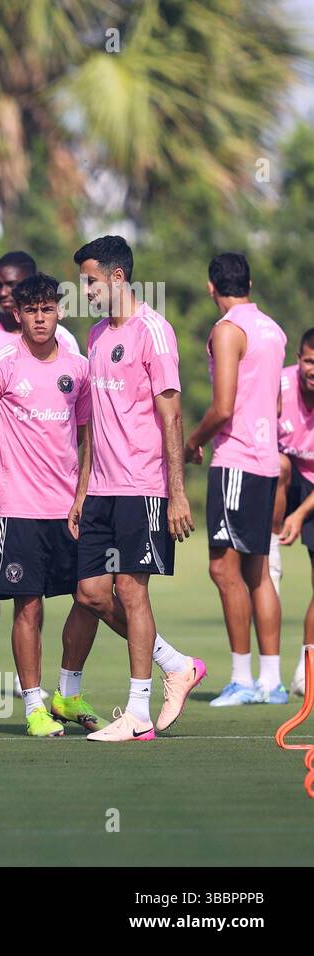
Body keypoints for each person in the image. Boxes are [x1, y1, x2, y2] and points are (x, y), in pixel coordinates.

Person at [71, 236, 203, 741]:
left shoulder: (155, 331)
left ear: (117, 277)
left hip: (144, 485)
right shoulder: (98, 334)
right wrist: (82, 490)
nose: (84, 291)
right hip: (101, 489)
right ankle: (176, 664)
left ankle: (138, 712)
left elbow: (171, 417)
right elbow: (93, 425)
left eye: (89, 281)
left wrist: (177, 493)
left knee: (131, 589)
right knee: (91, 594)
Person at [0, 273, 94, 736]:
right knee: (29, 605)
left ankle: (68, 692)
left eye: (48, 309)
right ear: (18, 315)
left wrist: (81, 494)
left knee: (89, 597)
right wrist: (12, 462)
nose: (40, 318)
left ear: (59, 311)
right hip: (17, 505)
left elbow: (85, 437)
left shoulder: (77, 368)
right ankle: (34, 706)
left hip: (68, 507)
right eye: (31, 310)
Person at [185, 253, 288, 706]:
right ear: (250, 281)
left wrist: (192, 441)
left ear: (212, 287)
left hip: (238, 461)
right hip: (266, 461)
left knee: (222, 568)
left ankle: (242, 680)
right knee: (257, 571)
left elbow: (223, 408)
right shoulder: (273, 329)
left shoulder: (228, 330)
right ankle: (272, 682)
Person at [276, 330, 314, 697]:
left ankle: (307, 671)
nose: (312, 369)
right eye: (308, 360)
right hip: (285, 474)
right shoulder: (280, 384)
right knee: (278, 462)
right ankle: (268, 552)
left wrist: (300, 515)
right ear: (298, 358)